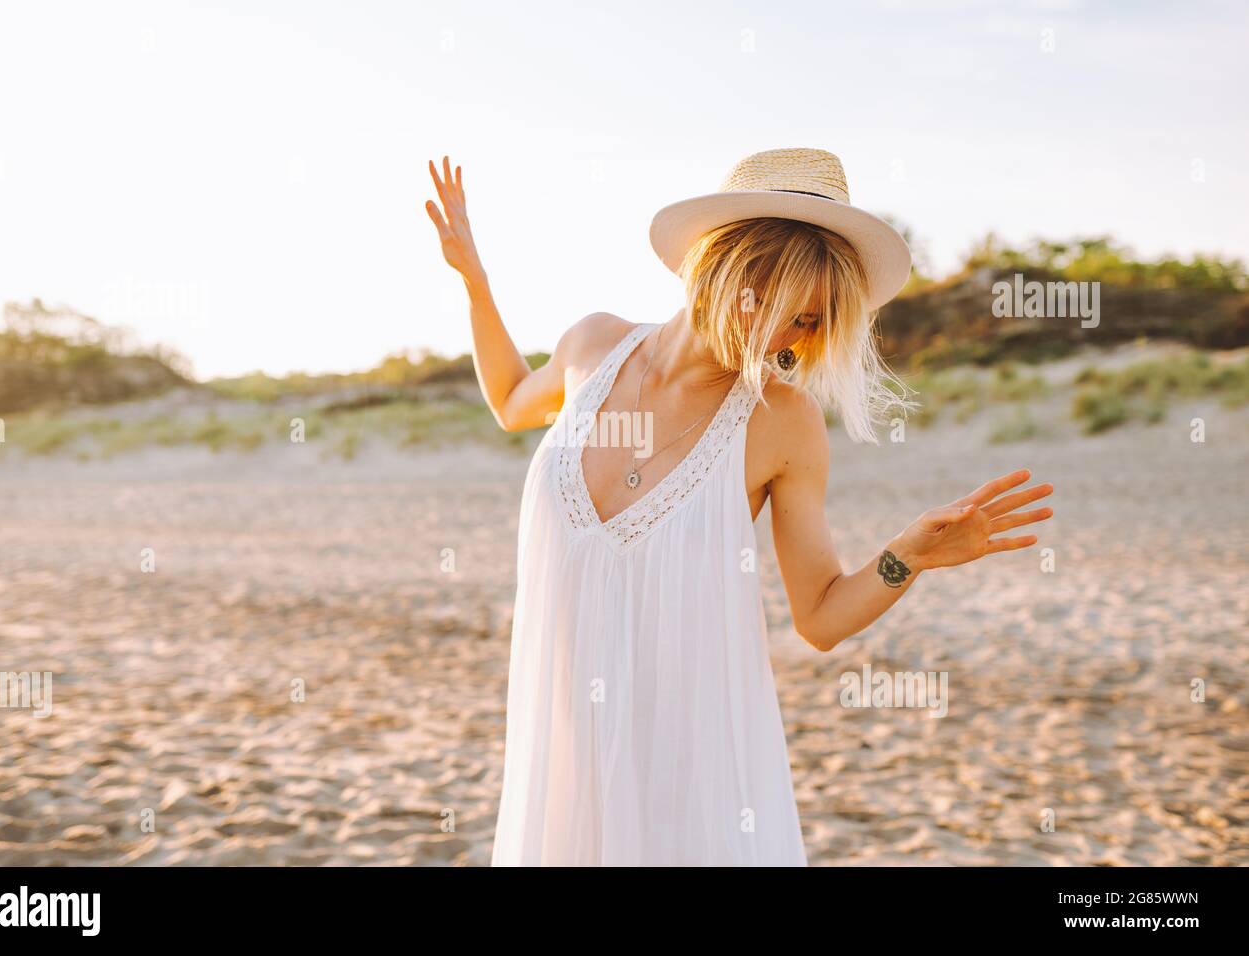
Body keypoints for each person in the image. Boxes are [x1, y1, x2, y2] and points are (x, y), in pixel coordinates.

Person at [425, 147, 1054, 866]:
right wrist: (475, 283)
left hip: (689, 788)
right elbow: (510, 402)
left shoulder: (779, 422)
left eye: (809, 323)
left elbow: (818, 615)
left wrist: (903, 559)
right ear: (723, 264)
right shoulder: (592, 345)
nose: (784, 339)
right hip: (561, 771)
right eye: (779, 304)